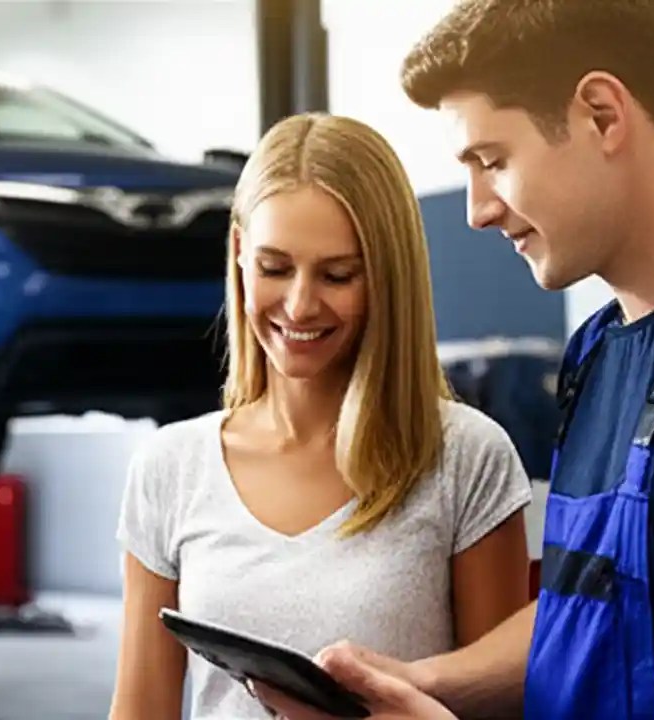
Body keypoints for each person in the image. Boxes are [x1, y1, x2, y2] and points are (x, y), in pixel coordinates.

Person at [256, 0, 654, 718]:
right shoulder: (597, 351)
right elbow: (594, 604)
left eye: (493, 161)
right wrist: (424, 683)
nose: (476, 208)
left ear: (602, 114)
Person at [107, 112, 534, 720]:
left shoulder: (466, 457)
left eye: (338, 275)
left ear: (387, 275)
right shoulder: (171, 468)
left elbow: (504, 706)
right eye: (274, 268)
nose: (301, 305)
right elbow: (140, 711)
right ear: (237, 253)